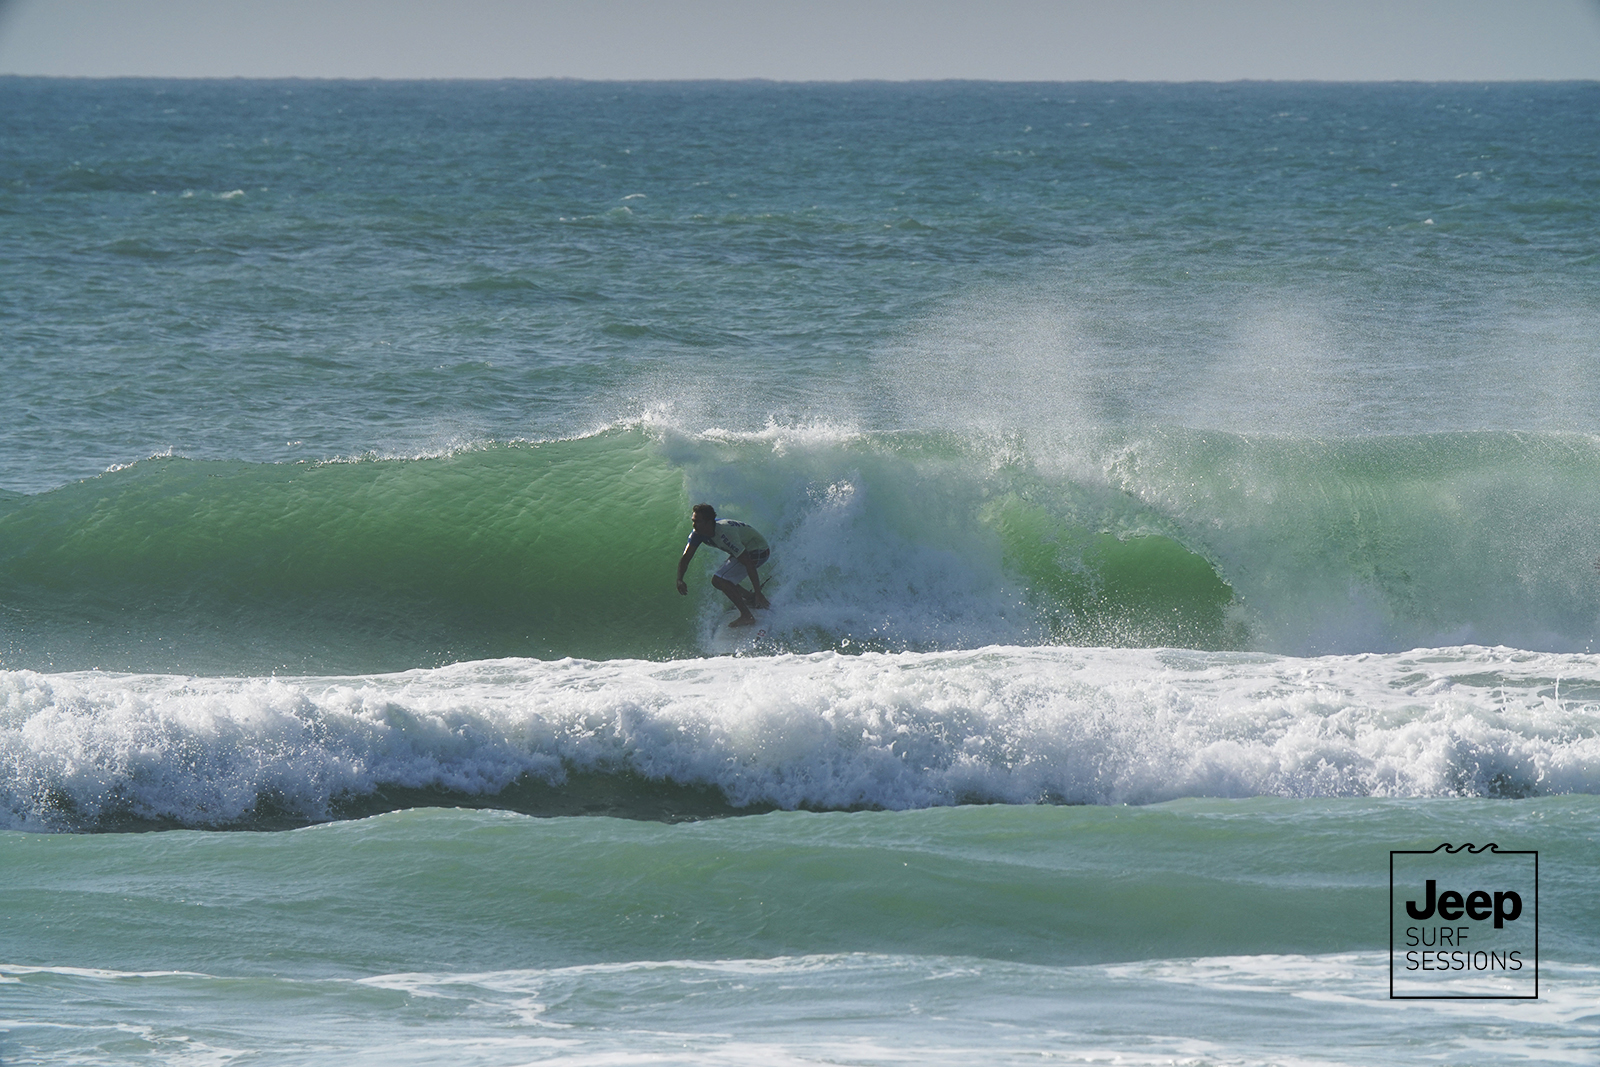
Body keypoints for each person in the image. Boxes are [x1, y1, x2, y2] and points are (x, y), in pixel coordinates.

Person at [676, 503, 771, 627]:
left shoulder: (724, 534)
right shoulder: (697, 533)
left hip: (759, 551)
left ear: (709, 522)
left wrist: (759, 593)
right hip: (746, 548)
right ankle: (750, 598)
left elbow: (749, 564)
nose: (694, 525)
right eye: (693, 521)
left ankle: (747, 616)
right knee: (723, 579)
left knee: (719, 580)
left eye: (698, 521)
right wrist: (679, 579)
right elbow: (686, 558)